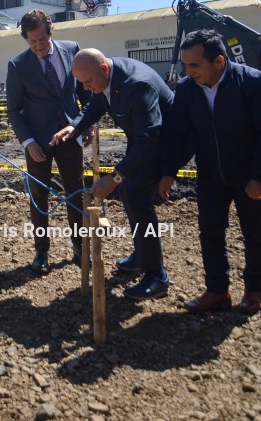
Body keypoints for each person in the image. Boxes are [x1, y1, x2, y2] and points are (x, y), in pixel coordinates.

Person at [159, 30, 261, 315]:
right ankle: (217, 290)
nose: (188, 72)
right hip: (212, 177)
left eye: (194, 66)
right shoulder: (188, 90)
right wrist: (169, 171)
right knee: (210, 232)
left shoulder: (253, 84)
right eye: (185, 66)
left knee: (254, 235)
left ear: (218, 61)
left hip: (251, 176)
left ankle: (254, 291)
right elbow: (178, 134)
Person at [52, 48, 174, 300]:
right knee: (130, 194)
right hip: (141, 139)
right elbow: (94, 106)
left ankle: (156, 275)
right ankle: (143, 256)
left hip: (162, 142)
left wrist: (115, 177)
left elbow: (150, 138)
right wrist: (73, 127)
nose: (86, 88)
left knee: (135, 195)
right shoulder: (106, 79)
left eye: (87, 82)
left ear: (104, 69)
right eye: (81, 83)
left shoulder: (137, 85)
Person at [6, 9, 91, 274]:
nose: (39, 46)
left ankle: (79, 245)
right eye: (32, 41)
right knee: (39, 195)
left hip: (70, 132)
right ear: (25, 40)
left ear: (51, 32)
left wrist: (85, 123)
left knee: (75, 191)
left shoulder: (72, 50)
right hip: (38, 141)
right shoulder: (18, 65)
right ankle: (41, 250)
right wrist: (28, 142)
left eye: (42, 39)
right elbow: (13, 110)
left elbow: (85, 90)